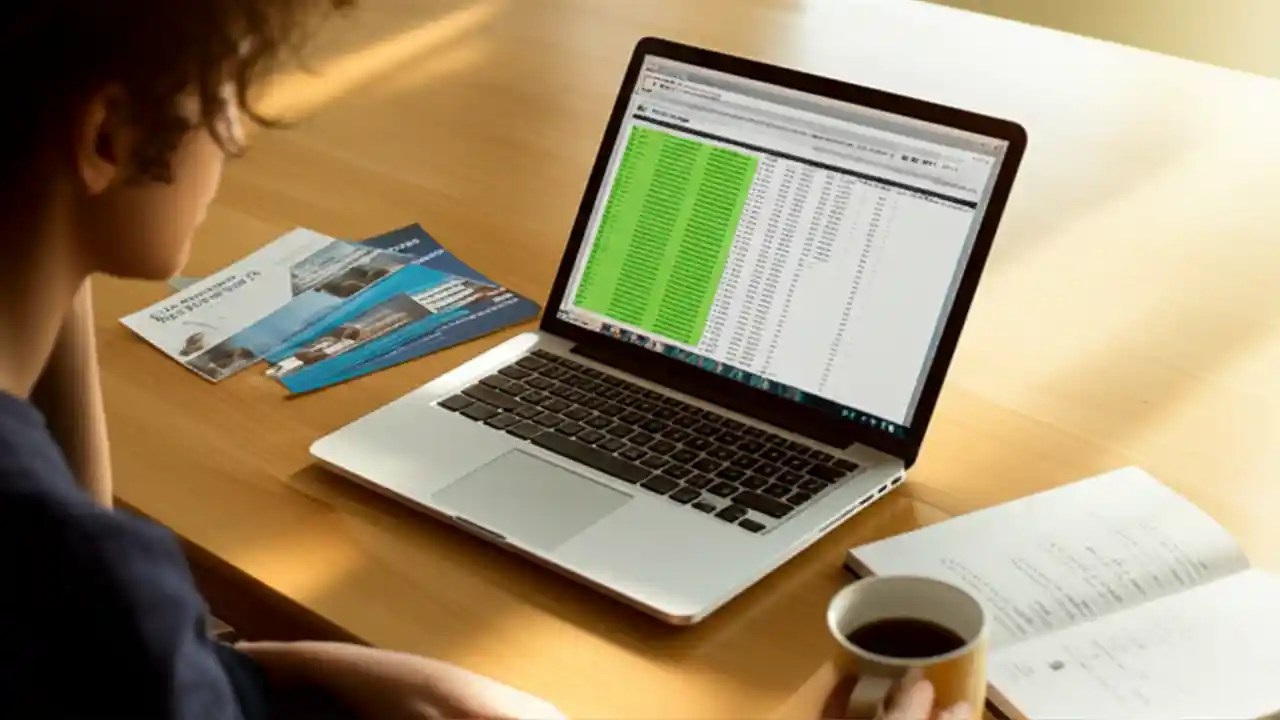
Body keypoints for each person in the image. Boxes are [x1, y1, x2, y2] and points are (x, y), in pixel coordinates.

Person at [0, 2, 563, 718]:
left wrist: (56, 259)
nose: (233, 137)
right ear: (108, 135)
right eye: (224, 95)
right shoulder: (85, 583)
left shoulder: (80, 595)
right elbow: (96, 602)